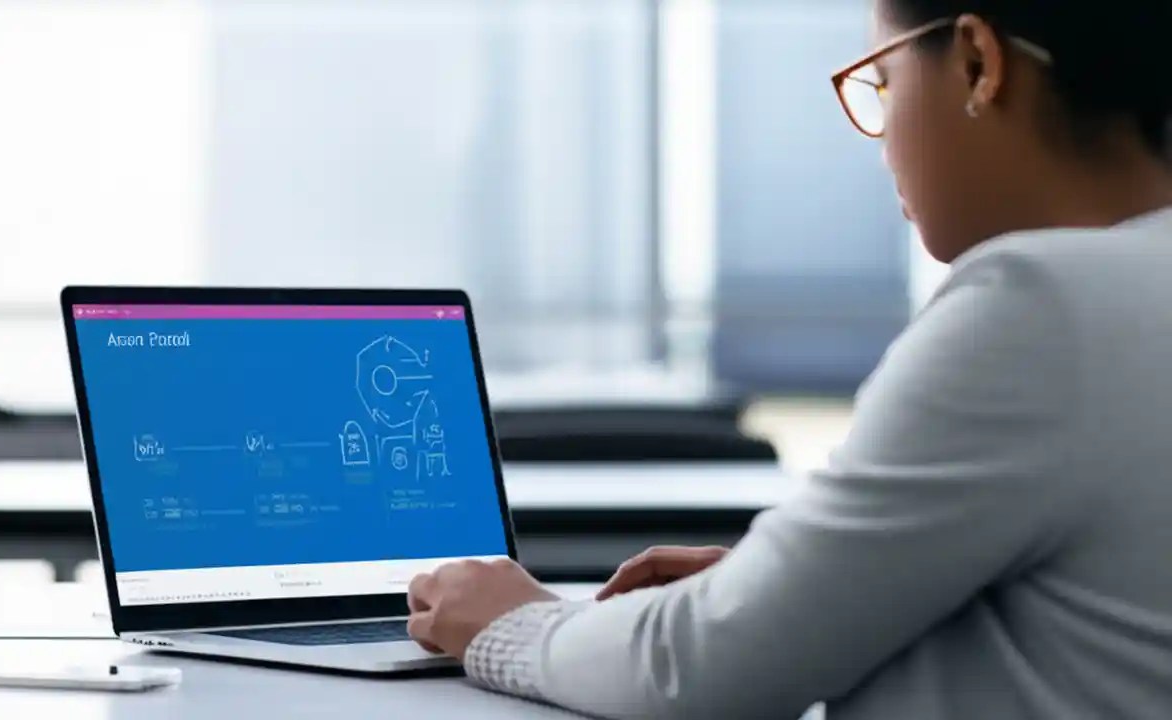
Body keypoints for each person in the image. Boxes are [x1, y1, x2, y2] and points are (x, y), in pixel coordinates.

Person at [405, 0, 1172, 717]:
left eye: (882, 80)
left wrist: (516, 625)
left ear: (976, 62)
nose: (878, 146)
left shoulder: (1039, 308)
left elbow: (699, 670)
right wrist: (793, 598)